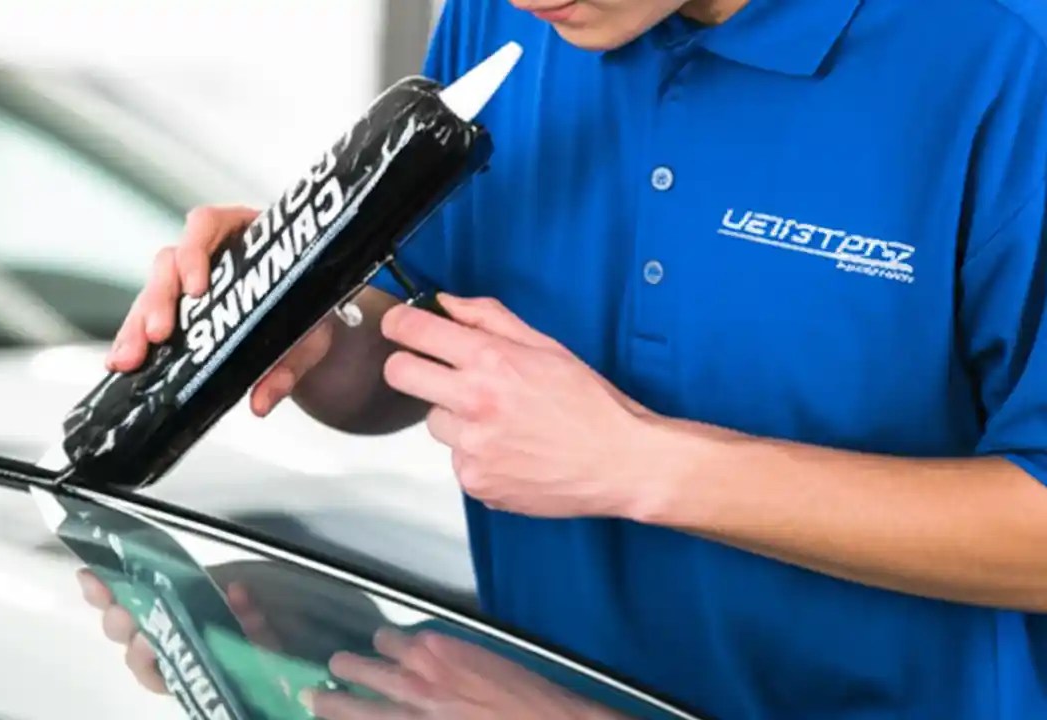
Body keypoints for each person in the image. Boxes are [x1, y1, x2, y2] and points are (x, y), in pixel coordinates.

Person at [83, 0, 1047, 717]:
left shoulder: (1008, 59)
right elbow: (412, 344)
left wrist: (640, 464)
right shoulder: (505, 21)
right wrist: (312, 318)